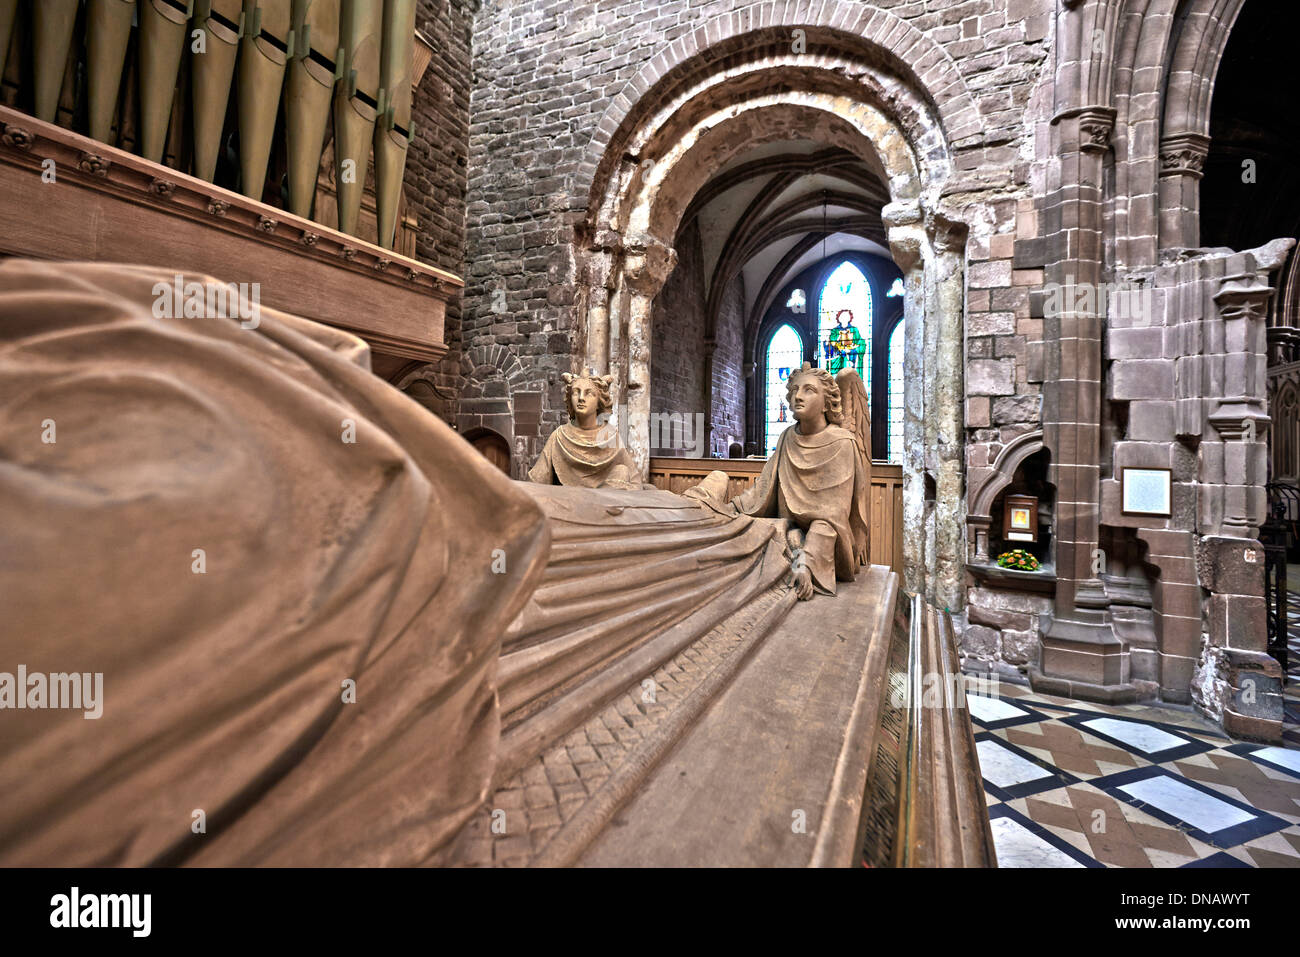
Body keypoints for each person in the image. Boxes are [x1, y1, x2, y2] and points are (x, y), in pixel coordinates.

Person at [686, 364, 870, 599]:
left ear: (826, 403)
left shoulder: (842, 443)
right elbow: (760, 493)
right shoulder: (787, 437)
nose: (798, 396)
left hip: (822, 544)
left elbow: (833, 516)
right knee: (724, 505)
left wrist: (808, 563)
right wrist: (726, 512)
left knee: (778, 543)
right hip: (786, 530)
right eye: (794, 390)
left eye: (808, 390)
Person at [527, 370, 643, 489]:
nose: (581, 398)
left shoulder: (610, 437)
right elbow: (536, 481)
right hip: (570, 501)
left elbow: (635, 483)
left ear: (599, 402)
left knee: (621, 471)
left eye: (589, 393)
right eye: (576, 393)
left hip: (605, 502)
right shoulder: (559, 437)